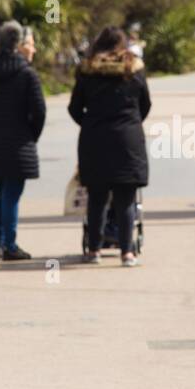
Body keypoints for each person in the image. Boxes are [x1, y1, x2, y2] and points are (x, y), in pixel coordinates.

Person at [68, 27, 151, 267]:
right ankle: (127, 253)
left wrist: (90, 124)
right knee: (126, 199)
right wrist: (131, 122)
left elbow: (74, 108)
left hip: (95, 140)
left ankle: (94, 250)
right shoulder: (133, 68)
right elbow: (145, 104)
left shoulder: (87, 70)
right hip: (128, 141)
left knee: (97, 198)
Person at [0, 21, 46, 261]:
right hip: (19, 143)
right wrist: (30, 135)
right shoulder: (27, 74)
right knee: (11, 195)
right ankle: (10, 245)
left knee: (0, 193)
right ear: (18, 44)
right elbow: (39, 111)